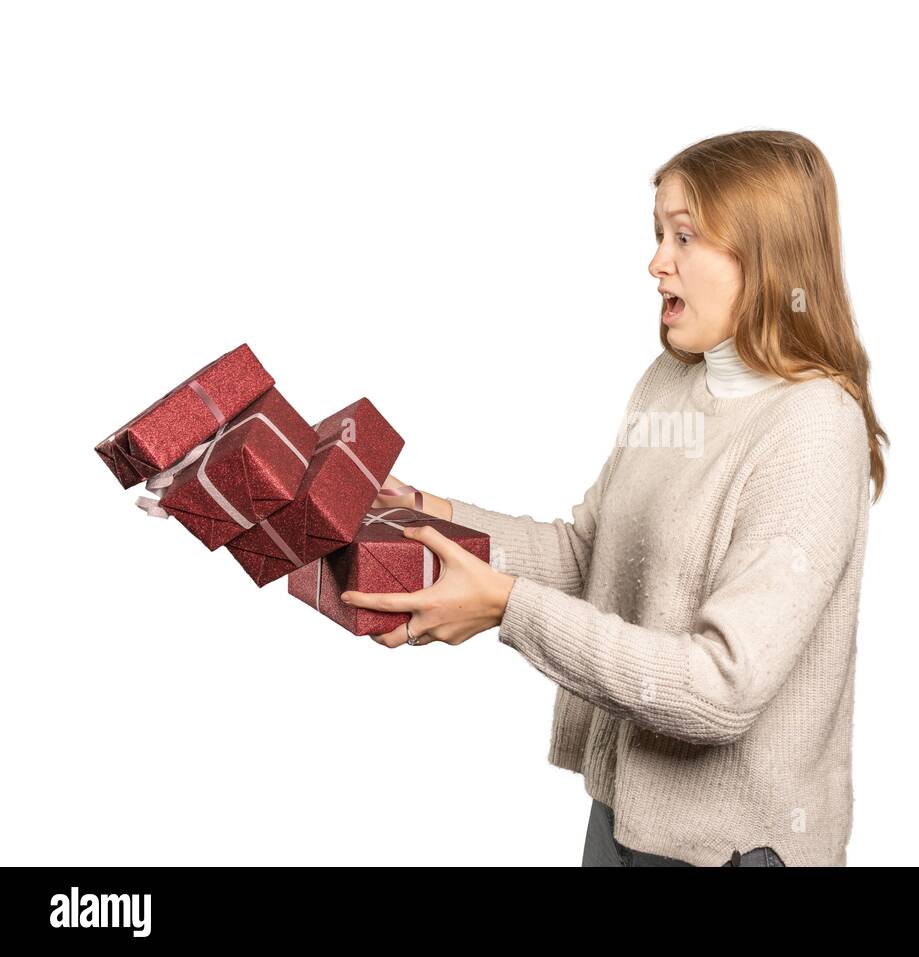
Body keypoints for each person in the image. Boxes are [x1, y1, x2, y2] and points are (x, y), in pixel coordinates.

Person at [341, 130, 889, 867]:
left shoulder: (814, 428)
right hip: (625, 820)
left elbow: (721, 687)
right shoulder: (671, 383)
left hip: (733, 852)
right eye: (659, 232)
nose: (656, 261)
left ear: (767, 257)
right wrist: (423, 511)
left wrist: (508, 606)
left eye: (685, 236)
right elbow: (589, 554)